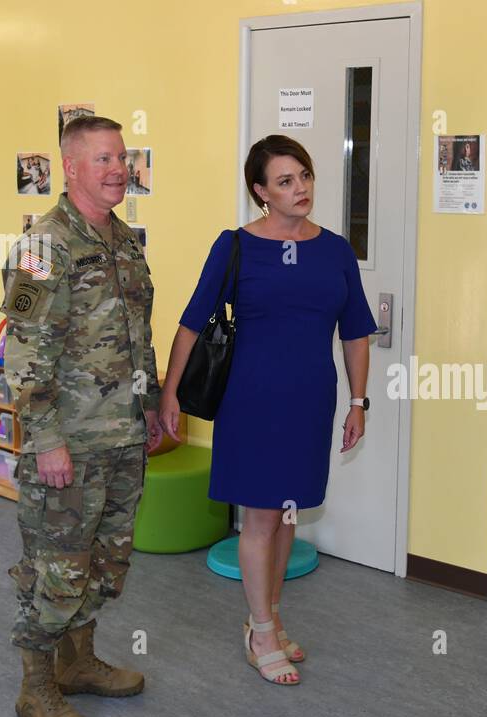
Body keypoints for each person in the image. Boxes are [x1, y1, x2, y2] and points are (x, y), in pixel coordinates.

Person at [160, 135, 375, 686]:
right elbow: (192, 322)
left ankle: (271, 618)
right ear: (261, 192)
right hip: (252, 400)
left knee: (286, 516)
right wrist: (168, 394)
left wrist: (358, 401)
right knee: (259, 518)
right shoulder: (236, 245)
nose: (300, 188)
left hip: (309, 401)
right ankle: (259, 632)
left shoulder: (333, 250)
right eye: (284, 181)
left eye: (304, 175)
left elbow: (355, 333)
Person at [2, 115, 161, 717]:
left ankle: (78, 662)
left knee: (105, 562)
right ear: (70, 168)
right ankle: (35, 687)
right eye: (103, 159)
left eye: (121, 157)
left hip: (121, 435)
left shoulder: (123, 241)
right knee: (57, 566)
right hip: (66, 442)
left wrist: (148, 408)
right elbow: (26, 354)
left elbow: (137, 336)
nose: (118, 169)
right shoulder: (44, 248)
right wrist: (46, 441)